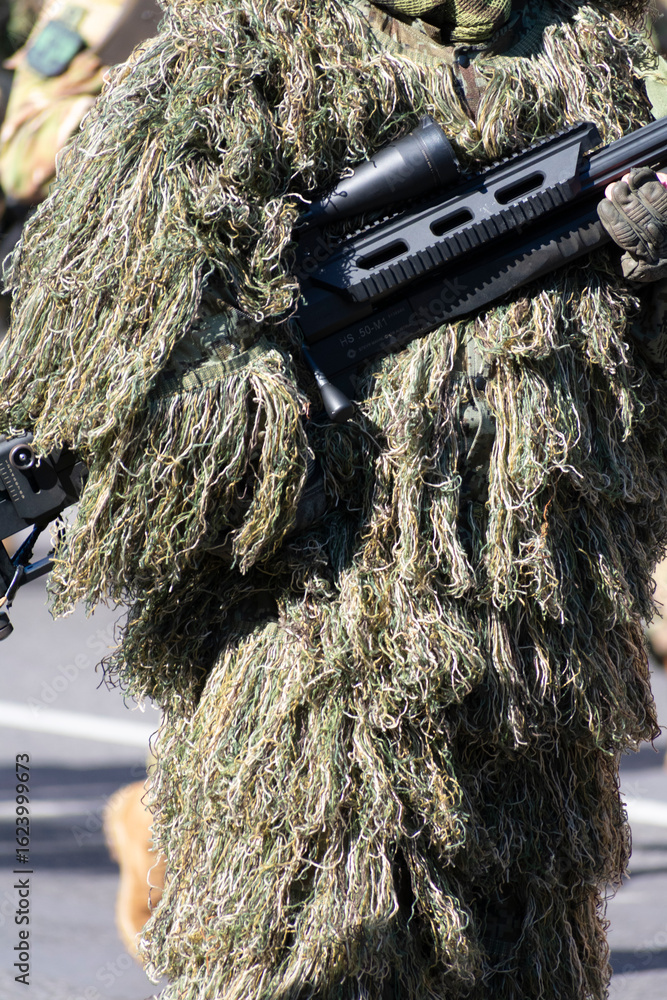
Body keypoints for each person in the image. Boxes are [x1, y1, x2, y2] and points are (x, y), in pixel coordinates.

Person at [2, 0, 667, 997]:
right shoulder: (231, 64)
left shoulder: (596, 57)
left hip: (534, 722)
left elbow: (634, 424)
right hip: (304, 715)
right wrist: (293, 413)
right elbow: (104, 407)